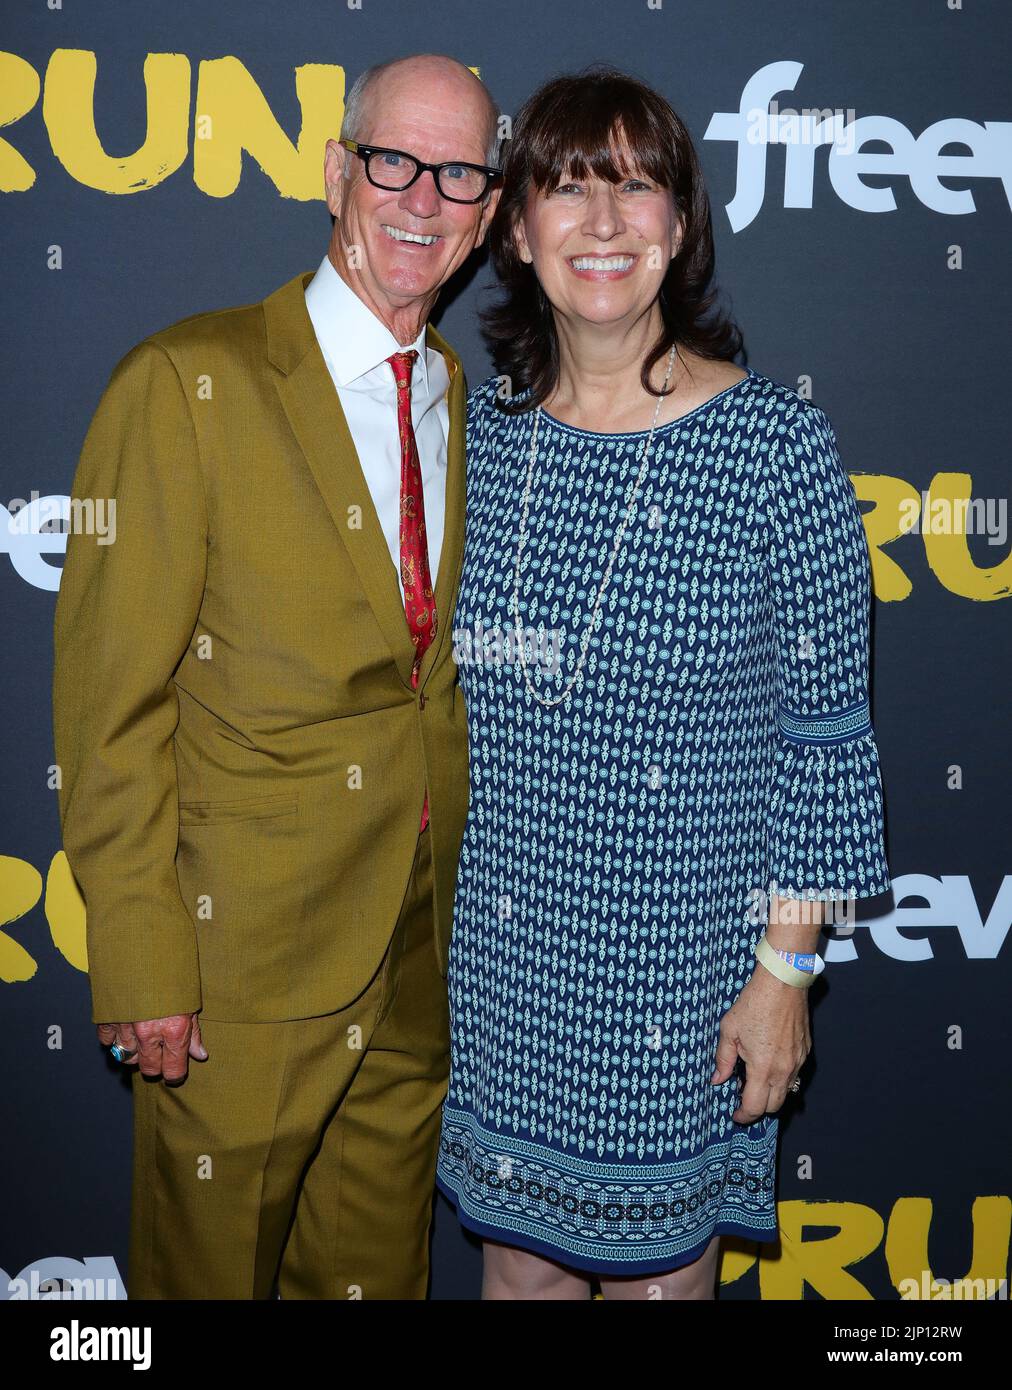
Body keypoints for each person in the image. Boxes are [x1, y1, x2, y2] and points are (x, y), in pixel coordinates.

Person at [435, 65, 891, 1299]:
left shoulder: (775, 449)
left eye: (635, 188)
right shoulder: (473, 442)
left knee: (660, 1286)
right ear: (515, 232)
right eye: (568, 190)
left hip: (687, 986)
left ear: (679, 227)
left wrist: (784, 977)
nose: (601, 223)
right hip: (502, 972)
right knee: (519, 1280)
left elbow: (826, 747)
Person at [52, 52, 501, 1299]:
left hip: (415, 964)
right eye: (393, 162)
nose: (422, 197)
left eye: (459, 172)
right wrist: (142, 956)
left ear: (487, 208)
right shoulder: (186, 385)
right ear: (334, 175)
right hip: (235, 974)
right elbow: (110, 707)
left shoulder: (460, 397)